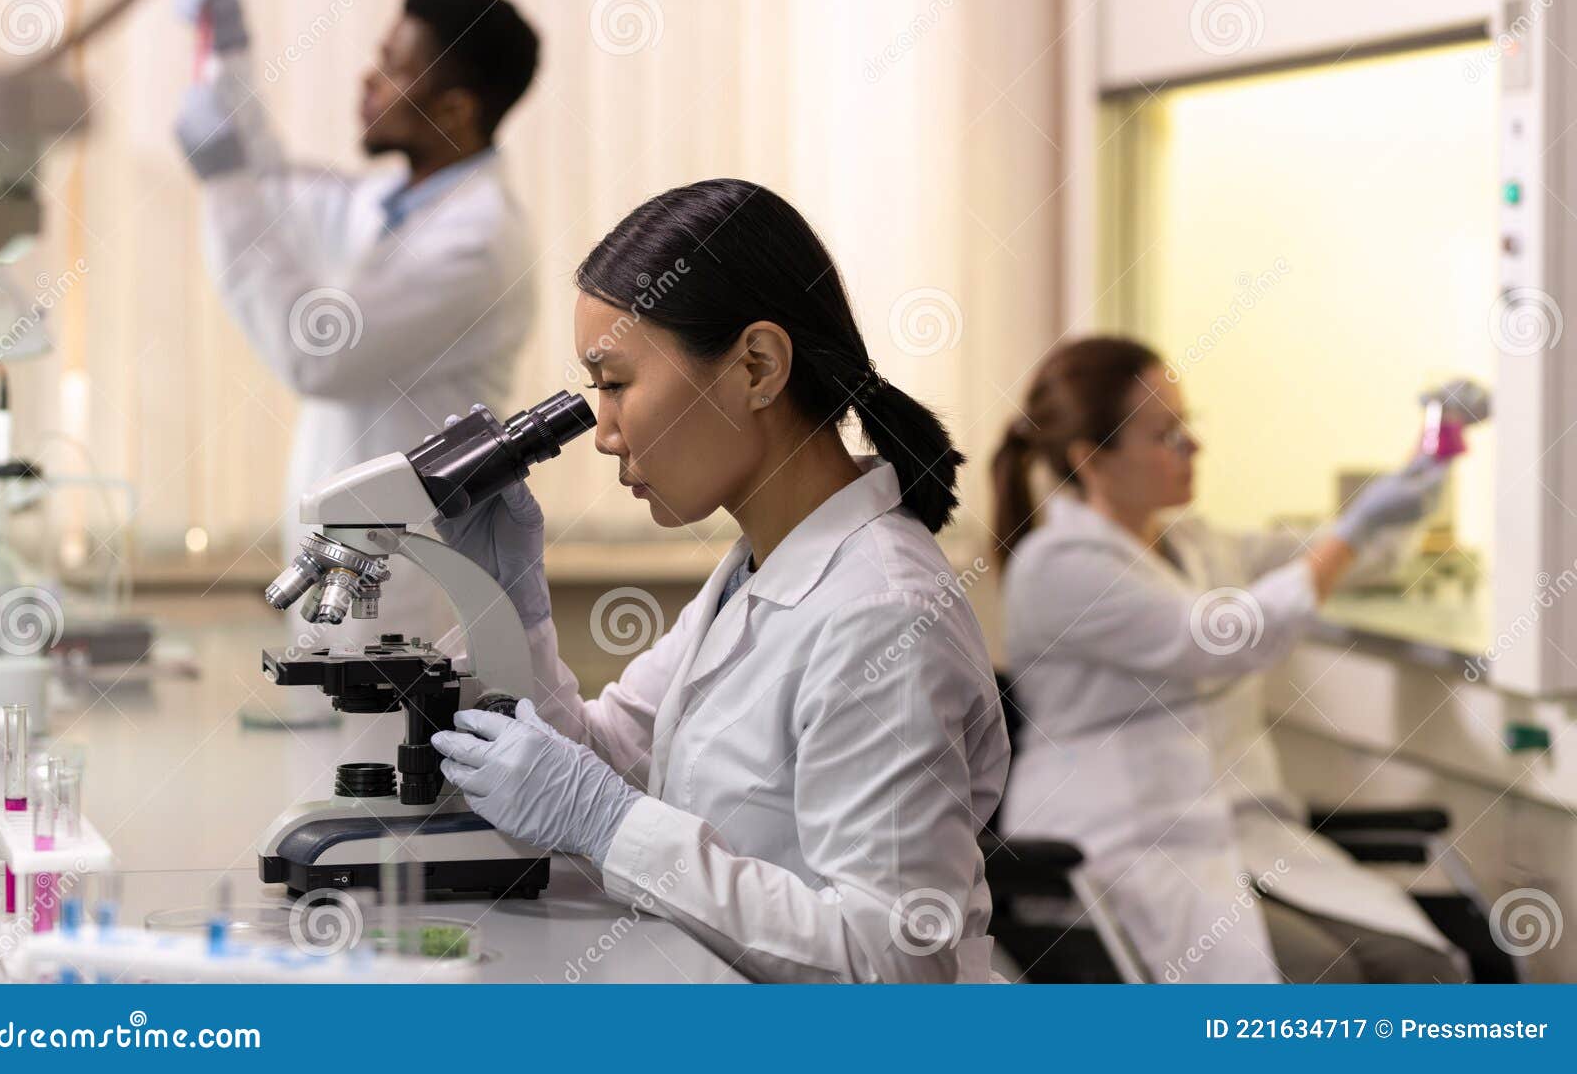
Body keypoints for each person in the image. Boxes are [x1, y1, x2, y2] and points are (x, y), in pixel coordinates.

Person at [429, 178, 1009, 983]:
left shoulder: (883, 615)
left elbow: (898, 965)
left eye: (616, 382)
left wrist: (609, 823)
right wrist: (513, 603)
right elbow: (602, 760)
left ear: (758, 366)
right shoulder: (756, 569)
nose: (601, 432)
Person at [989, 335, 1467, 984]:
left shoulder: (1196, 544)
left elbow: (1352, 559)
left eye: (1188, 425)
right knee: (1320, 977)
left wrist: (1428, 462)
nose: (1193, 446)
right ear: (1091, 458)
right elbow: (1220, 637)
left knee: (1421, 965)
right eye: (1165, 433)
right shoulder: (1058, 569)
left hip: (1238, 837)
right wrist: (1350, 534)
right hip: (1120, 854)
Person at [173, 0, 539, 652]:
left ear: (457, 110)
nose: (368, 80)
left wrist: (223, 180)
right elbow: (274, 189)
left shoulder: (479, 243)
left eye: (395, 68)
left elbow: (320, 355)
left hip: (402, 587)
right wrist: (228, 56)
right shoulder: (388, 202)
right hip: (341, 570)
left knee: (381, 750)